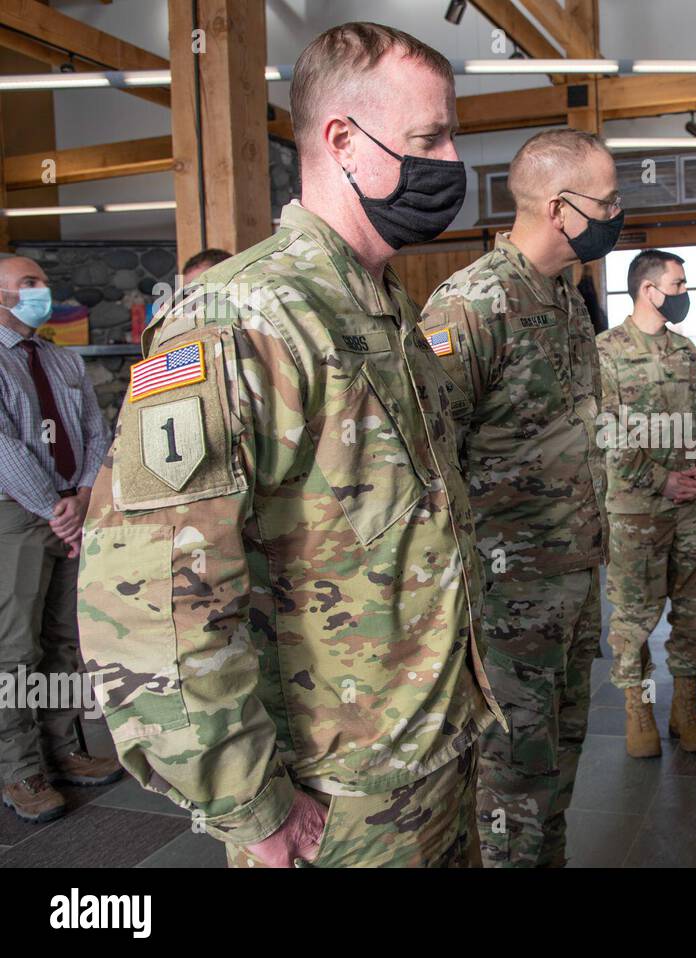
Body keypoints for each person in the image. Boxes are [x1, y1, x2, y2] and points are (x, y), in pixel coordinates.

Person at [77, 21, 502, 869]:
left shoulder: (383, 312)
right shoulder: (240, 317)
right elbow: (152, 600)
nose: (451, 162)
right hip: (336, 795)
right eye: (428, 139)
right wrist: (249, 805)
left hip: (431, 760)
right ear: (342, 140)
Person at [420, 129, 615, 867]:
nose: (617, 211)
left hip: (568, 585)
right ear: (562, 208)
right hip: (504, 603)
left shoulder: (565, 299)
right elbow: (429, 464)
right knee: (509, 791)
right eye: (608, 199)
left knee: (556, 772)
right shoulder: (472, 305)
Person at [0, 254, 120, 824]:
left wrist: (83, 497)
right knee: (16, 649)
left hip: (71, 506)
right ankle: (20, 769)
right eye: (28, 284)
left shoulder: (60, 357)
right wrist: (54, 507)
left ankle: (64, 748)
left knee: (65, 638)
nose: (40, 291)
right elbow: (2, 448)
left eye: (41, 282)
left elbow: (97, 431)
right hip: (18, 516)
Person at [598, 250, 696, 757]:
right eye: (678, 284)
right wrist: (660, 480)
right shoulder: (604, 352)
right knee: (634, 615)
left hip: (693, 510)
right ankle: (638, 711)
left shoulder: (688, 352)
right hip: (636, 511)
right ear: (649, 291)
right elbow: (605, 431)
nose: (684, 293)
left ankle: (686, 709)